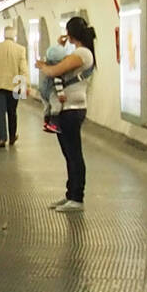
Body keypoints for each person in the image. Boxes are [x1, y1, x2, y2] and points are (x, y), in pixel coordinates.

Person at [36, 17, 97, 213]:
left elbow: (55, 70)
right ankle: (70, 194)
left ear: (71, 34)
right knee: (68, 153)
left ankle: (77, 197)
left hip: (72, 108)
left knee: (74, 154)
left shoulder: (82, 54)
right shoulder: (80, 52)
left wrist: (42, 66)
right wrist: (59, 45)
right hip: (68, 108)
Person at [0, 27, 29, 148]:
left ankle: (2, 138)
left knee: (0, 112)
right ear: (14, 35)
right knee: (12, 112)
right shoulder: (20, 49)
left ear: (4, 35)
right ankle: (12, 136)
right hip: (14, 85)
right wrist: (25, 86)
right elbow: (23, 69)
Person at [39, 42, 68, 133]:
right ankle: (53, 124)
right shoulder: (57, 69)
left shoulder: (47, 64)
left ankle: (46, 122)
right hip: (52, 90)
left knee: (47, 106)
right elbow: (57, 81)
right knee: (56, 106)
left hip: (43, 89)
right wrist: (61, 94)